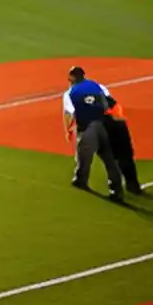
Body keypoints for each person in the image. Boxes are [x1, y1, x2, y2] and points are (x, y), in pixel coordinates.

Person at [62, 66, 124, 203]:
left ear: (72, 78)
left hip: (87, 128)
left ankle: (80, 180)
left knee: (84, 156)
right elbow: (112, 104)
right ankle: (117, 191)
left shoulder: (70, 93)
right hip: (105, 126)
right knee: (110, 160)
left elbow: (69, 114)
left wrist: (68, 130)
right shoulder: (98, 86)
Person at [103, 101, 142, 195]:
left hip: (111, 130)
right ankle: (132, 186)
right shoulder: (106, 100)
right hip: (118, 127)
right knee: (126, 158)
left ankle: (116, 190)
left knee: (115, 161)